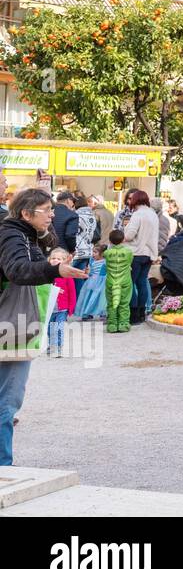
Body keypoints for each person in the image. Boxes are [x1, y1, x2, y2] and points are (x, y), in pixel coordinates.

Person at [0, 188, 87, 465]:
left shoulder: (24, 234)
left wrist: (53, 259)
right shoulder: (13, 234)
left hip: (13, 323)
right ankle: (5, 468)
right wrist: (54, 270)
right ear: (26, 214)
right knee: (7, 401)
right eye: (47, 210)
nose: (53, 214)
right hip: (12, 327)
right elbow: (17, 270)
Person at [122, 191, 158, 323]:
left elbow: (130, 235)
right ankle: (142, 313)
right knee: (142, 282)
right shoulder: (153, 214)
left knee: (130, 283)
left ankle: (133, 314)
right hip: (149, 253)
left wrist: (122, 235)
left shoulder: (137, 214)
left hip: (135, 253)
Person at [46, 248, 76, 358]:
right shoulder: (46, 275)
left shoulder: (67, 276)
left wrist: (71, 308)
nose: (55, 260)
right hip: (49, 309)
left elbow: (72, 292)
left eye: (59, 259)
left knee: (59, 328)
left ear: (64, 261)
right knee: (49, 329)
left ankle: (58, 348)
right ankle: (51, 345)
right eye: (53, 258)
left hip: (62, 309)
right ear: (49, 260)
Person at [73, 243, 108, 321]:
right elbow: (90, 270)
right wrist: (86, 272)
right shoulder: (91, 260)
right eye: (93, 252)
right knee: (88, 296)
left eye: (95, 252)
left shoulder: (105, 261)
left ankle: (103, 313)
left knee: (101, 298)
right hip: (91, 281)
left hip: (102, 283)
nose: (93, 254)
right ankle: (86, 313)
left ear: (102, 254)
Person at [71, 194, 99, 274]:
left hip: (77, 252)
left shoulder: (76, 216)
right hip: (88, 251)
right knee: (80, 277)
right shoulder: (92, 216)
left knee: (69, 277)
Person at [52, 191, 80, 256]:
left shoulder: (49, 212)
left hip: (47, 251)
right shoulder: (72, 215)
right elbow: (70, 235)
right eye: (73, 201)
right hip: (63, 252)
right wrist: (72, 250)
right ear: (68, 200)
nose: (73, 204)